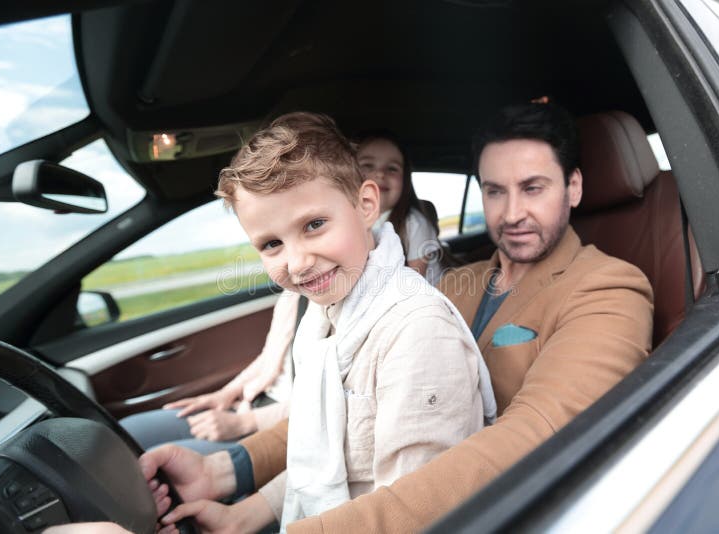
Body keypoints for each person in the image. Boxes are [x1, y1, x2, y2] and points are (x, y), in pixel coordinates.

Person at [131, 101, 652, 534]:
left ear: (574, 187)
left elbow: (535, 436)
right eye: (494, 190)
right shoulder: (454, 282)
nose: (511, 212)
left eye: (533, 187)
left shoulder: (608, 288)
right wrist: (229, 473)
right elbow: (348, 413)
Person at [144, 111, 495, 532]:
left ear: (366, 205)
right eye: (271, 244)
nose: (297, 263)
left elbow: (412, 513)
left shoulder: (418, 333)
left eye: (314, 225)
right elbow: (330, 457)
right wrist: (241, 517)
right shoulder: (323, 317)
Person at [119, 290, 301, 454]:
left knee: (158, 460)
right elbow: (269, 356)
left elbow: (315, 405)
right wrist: (225, 393)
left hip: (286, 427)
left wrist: (246, 422)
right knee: (128, 431)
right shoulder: (291, 295)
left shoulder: (317, 305)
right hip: (251, 403)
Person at [355, 130, 445, 283]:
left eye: (392, 168)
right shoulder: (350, 222)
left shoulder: (414, 223)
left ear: (405, 181)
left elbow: (412, 284)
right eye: (368, 165)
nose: (380, 174)